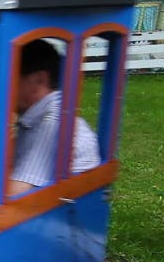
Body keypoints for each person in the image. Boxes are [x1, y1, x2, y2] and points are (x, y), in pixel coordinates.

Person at [9, 39, 100, 196]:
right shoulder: (38, 116)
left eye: (9, 79)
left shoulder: (52, 122)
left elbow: (14, 194)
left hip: (62, 209)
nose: (2, 88)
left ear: (39, 80)